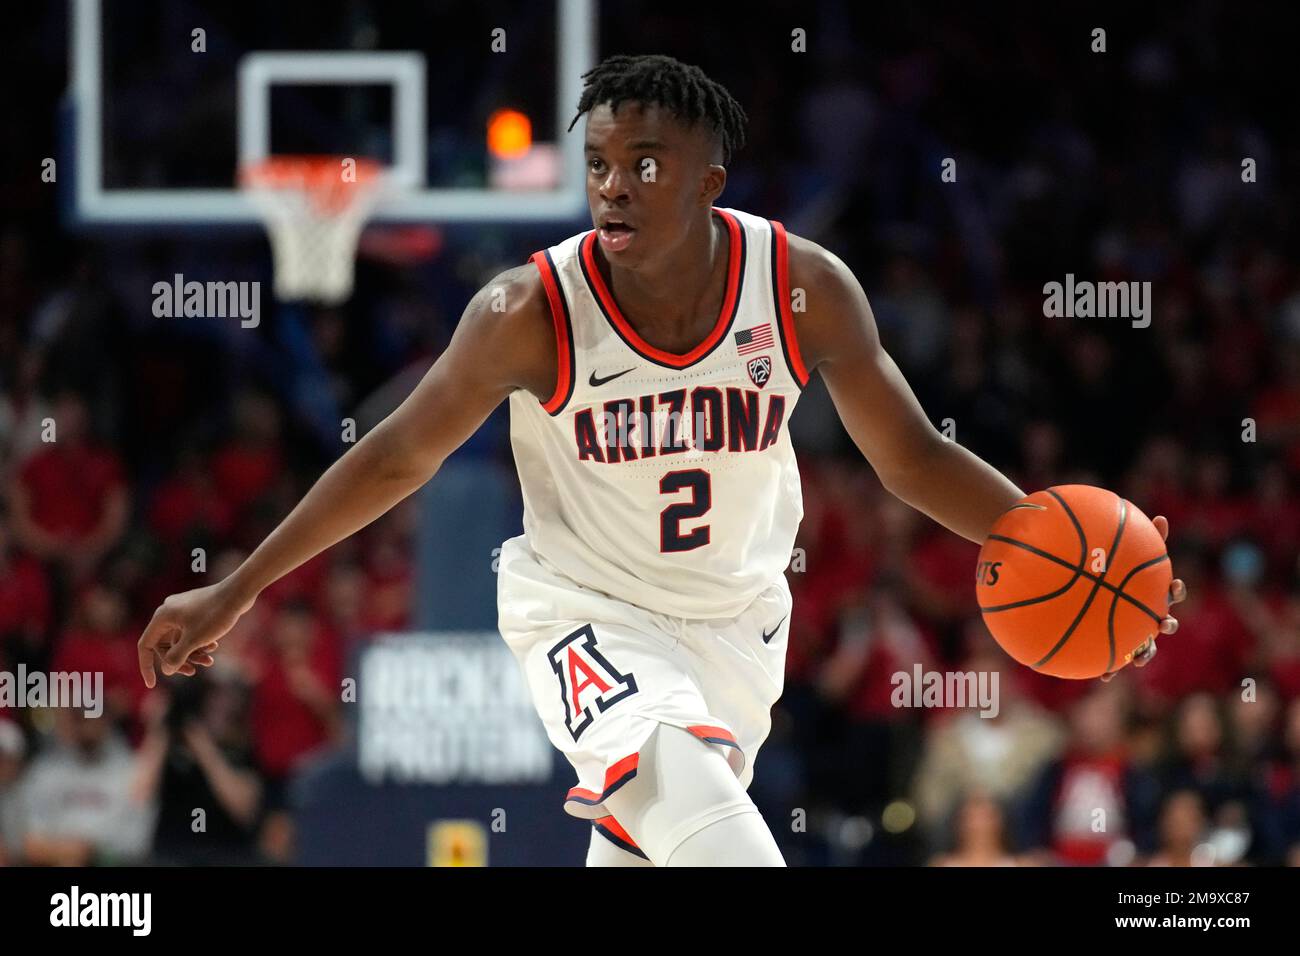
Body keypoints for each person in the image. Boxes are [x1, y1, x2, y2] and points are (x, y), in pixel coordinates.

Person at [136, 54, 1185, 867]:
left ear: (708, 181)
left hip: (735, 624)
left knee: (645, 842)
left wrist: (1075, 558)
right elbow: (394, 457)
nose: (613, 187)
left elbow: (910, 457)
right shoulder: (527, 310)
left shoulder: (801, 287)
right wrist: (240, 588)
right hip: (582, 610)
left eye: (644, 165)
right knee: (694, 802)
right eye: (597, 164)